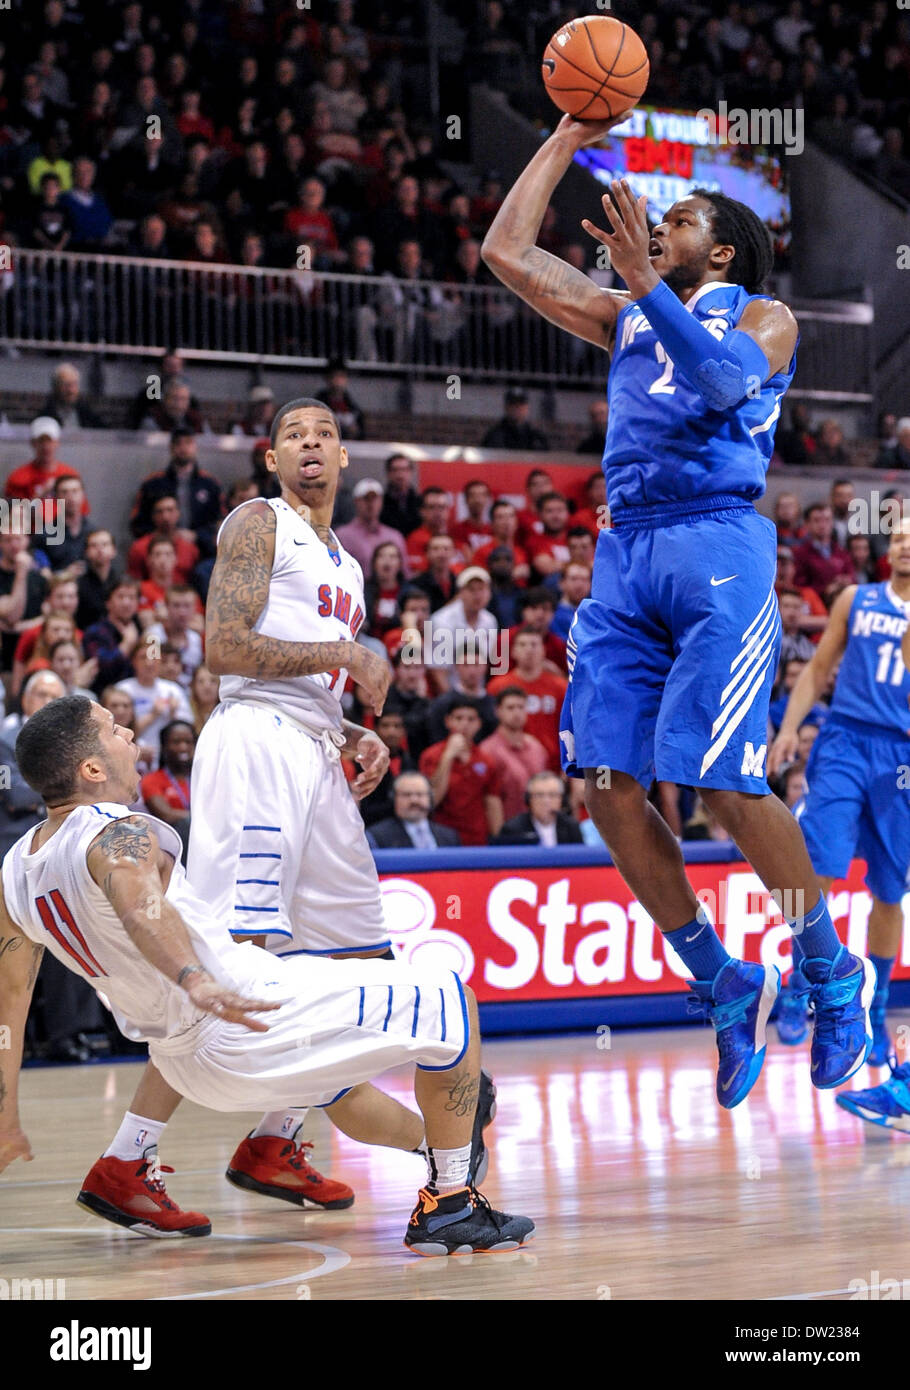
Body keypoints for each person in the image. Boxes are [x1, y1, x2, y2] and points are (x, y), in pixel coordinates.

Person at [482, 111, 874, 1108]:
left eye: (683, 215)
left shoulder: (761, 315)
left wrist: (648, 286)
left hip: (717, 545)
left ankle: (828, 965)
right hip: (626, 549)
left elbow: (719, 385)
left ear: (726, 245)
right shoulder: (624, 310)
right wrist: (567, 134)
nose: (661, 223)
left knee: (725, 783)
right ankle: (718, 974)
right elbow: (504, 251)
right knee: (607, 782)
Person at [75, 396, 497, 1234]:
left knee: (360, 953)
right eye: (293, 436)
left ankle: (277, 1136)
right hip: (256, 747)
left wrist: (349, 731)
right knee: (239, 952)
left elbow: (304, 681)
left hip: (312, 752)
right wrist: (344, 656)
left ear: (345, 460)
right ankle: (129, 1155)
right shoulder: (258, 522)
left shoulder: (346, 564)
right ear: (272, 461)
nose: (311, 444)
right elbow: (227, 649)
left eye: (326, 434)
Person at [0, 696, 533, 1256]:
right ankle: (450, 1205)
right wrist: (193, 976)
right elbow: (138, 903)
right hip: (239, 1022)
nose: (129, 732)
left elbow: (10, 999)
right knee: (454, 1001)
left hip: (184, 1063)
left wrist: (7, 1117)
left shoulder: (15, 868)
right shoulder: (116, 832)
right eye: (113, 729)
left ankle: (426, 1149)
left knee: (336, 1059)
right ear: (90, 769)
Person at [769, 523, 910, 1066]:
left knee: (891, 890)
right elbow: (819, 668)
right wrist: (787, 730)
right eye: (896, 536)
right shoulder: (856, 598)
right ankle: (800, 981)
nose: (902, 545)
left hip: (901, 753)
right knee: (819, 866)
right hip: (846, 739)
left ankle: (875, 1008)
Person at [418, 700, 503, 846]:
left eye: (471, 719)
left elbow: (493, 804)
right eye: (458, 718)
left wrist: (498, 839)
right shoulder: (431, 756)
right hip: (443, 839)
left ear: (479, 724)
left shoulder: (486, 760)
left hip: (478, 839)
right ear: (448, 721)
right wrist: (448, 757)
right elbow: (432, 800)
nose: (465, 724)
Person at [487, 627, 567, 772]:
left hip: (553, 767)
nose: (529, 650)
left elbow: (570, 729)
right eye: (523, 645)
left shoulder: (561, 687)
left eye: (534, 644)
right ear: (513, 652)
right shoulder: (497, 686)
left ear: (543, 651)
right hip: (509, 766)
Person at [478, 686, 548, 821]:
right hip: (507, 828)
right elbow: (488, 800)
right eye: (510, 708)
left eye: (521, 707)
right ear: (498, 711)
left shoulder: (537, 747)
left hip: (539, 826)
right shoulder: (487, 751)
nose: (516, 713)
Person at [336, 477, 408, 577]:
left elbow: (404, 573)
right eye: (366, 499)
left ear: (381, 501)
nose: (371, 504)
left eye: (374, 498)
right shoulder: (342, 536)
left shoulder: (394, 536)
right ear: (356, 501)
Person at [367, 771, 460, 849]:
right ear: (394, 799)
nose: (414, 800)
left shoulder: (449, 836)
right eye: (407, 795)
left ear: (430, 798)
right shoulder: (377, 836)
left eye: (420, 794)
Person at [492, 770, 583, 846]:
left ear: (561, 799)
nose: (546, 801)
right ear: (528, 799)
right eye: (539, 795)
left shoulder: (571, 826)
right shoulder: (512, 829)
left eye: (552, 795)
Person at [481, 386, 549, 451]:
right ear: (506, 407)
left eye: (520, 404)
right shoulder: (494, 436)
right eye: (513, 404)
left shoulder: (537, 438)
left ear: (527, 407)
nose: (517, 408)